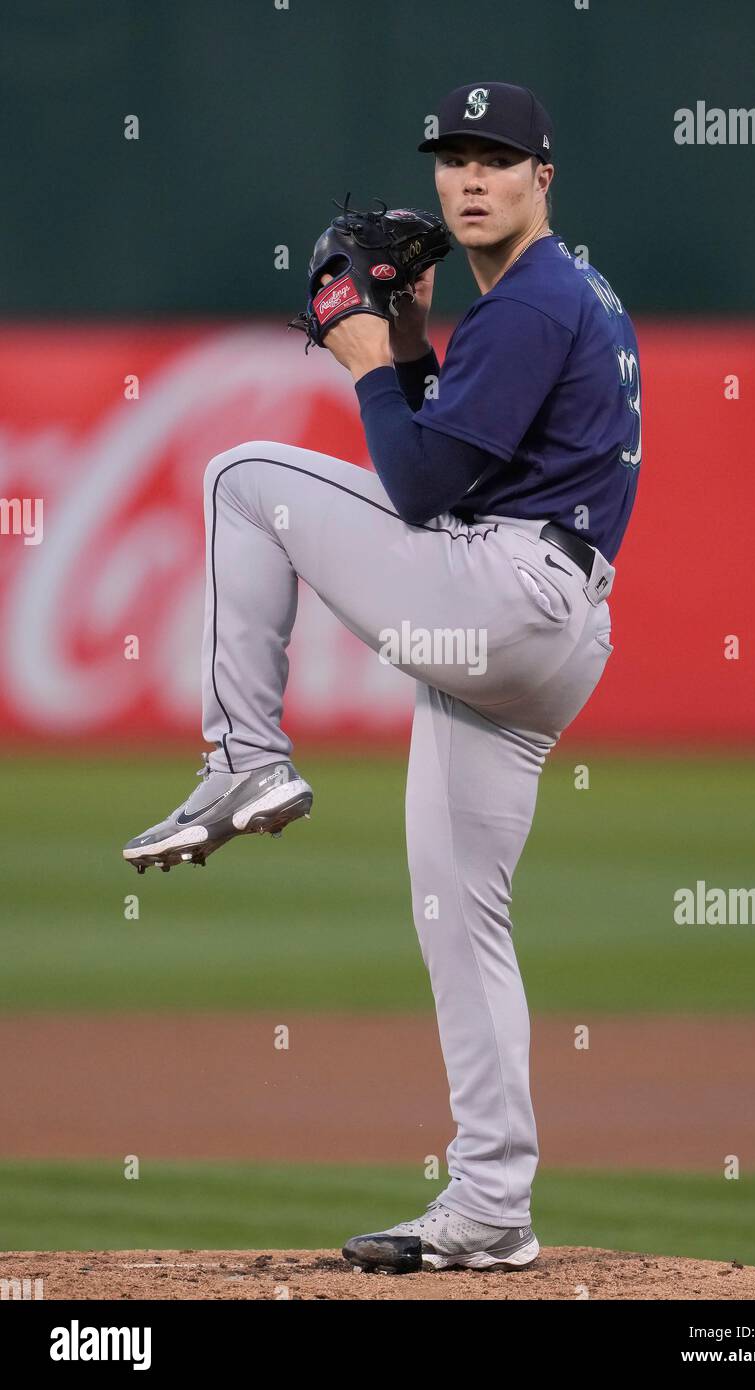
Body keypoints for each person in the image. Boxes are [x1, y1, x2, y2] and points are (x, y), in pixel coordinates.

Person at [123, 81, 642, 1273]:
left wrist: (360, 352)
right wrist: (406, 344)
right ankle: (489, 1206)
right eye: (451, 157)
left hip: (505, 595)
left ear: (541, 179)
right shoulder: (559, 298)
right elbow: (447, 473)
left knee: (242, 476)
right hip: (547, 634)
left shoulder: (529, 299)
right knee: (460, 921)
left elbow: (412, 496)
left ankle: (244, 758)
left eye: (494, 160)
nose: (466, 179)